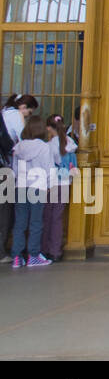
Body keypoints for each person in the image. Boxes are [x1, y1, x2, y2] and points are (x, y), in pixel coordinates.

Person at [12, 116, 55, 268]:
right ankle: (33, 255)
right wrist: (50, 185)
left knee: (20, 223)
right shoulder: (44, 147)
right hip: (38, 187)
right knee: (36, 223)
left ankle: (17, 257)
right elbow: (49, 168)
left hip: (21, 186)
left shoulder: (18, 147)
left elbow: (15, 170)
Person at [1, 94, 37, 258]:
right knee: (5, 211)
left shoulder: (4, 112)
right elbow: (22, 141)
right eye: (29, 113)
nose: (28, 117)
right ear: (23, 107)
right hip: (5, 169)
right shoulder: (15, 115)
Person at [41, 114, 77, 262]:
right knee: (58, 218)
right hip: (65, 183)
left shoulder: (49, 146)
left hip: (52, 183)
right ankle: (56, 250)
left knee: (46, 217)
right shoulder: (70, 142)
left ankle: (44, 249)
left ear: (49, 128)